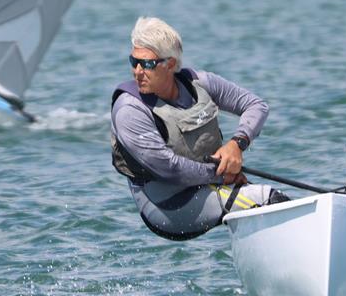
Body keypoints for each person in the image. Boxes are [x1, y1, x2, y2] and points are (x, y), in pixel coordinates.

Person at [111, 17, 289, 240]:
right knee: (269, 198)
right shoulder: (129, 110)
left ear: (171, 64)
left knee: (268, 208)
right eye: (133, 61)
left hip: (208, 185)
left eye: (147, 64)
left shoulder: (200, 83)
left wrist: (237, 144)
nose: (137, 71)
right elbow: (169, 169)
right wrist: (222, 174)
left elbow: (256, 105)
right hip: (168, 205)